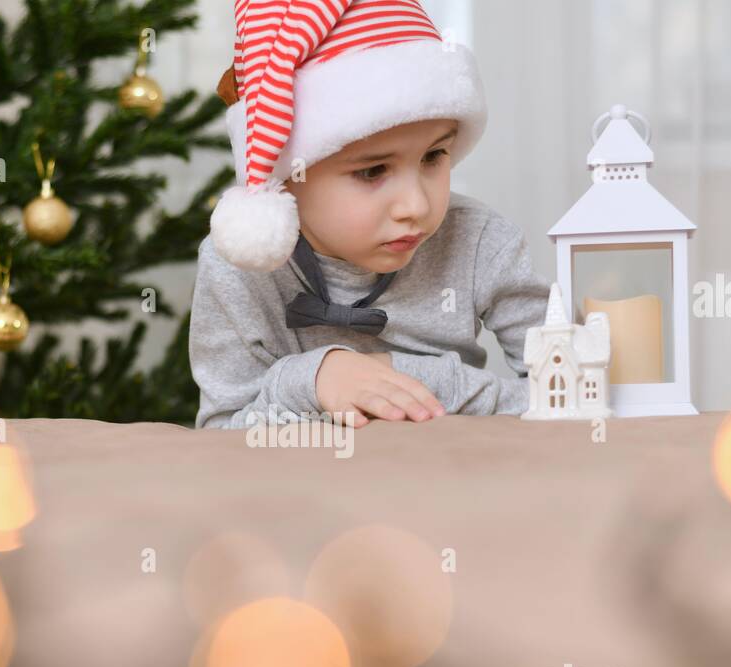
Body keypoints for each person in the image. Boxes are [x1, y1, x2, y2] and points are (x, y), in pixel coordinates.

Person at [190, 0, 550, 430]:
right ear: (288, 175)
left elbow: (573, 393)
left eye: (434, 156)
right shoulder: (239, 269)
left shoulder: (480, 241)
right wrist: (310, 380)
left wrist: (429, 381)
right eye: (373, 170)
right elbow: (223, 433)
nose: (416, 206)